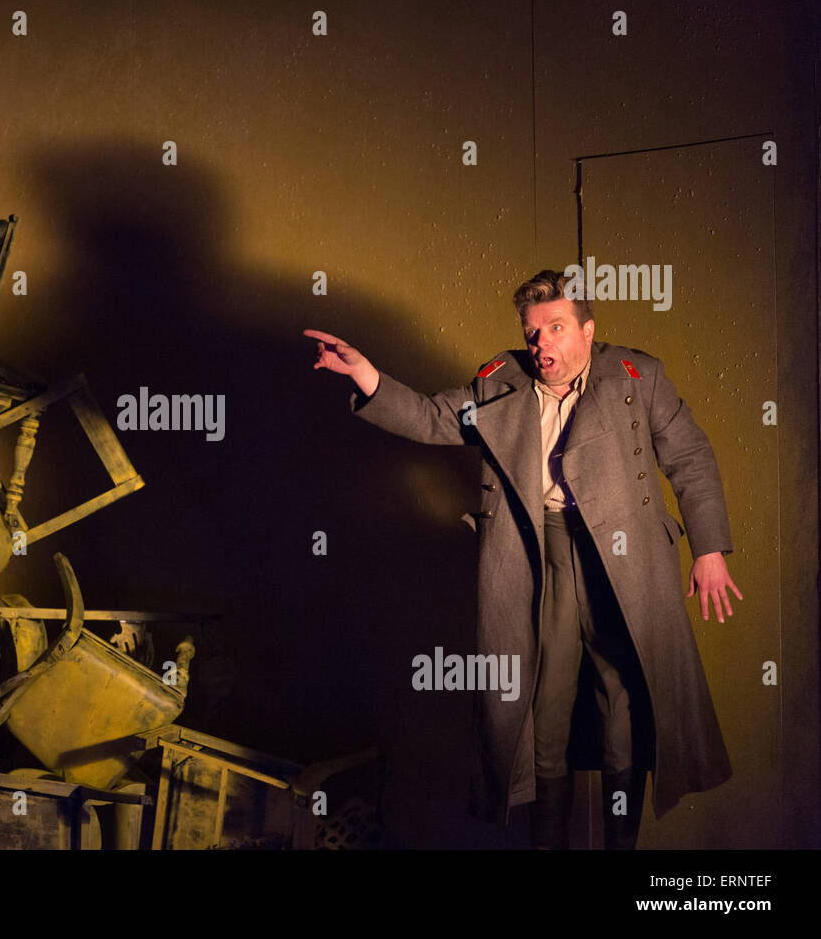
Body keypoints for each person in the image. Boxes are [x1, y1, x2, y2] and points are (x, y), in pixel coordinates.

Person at [305, 269, 742, 849]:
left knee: (626, 707)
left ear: (587, 331)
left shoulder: (639, 375)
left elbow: (690, 456)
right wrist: (366, 374)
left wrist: (709, 550)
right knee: (541, 708)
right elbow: (434, 418)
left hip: (624, 562)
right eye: (533, 332)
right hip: (539, 553)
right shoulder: (500, 381)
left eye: (556, 328)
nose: (542, 344)